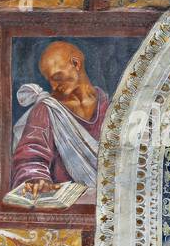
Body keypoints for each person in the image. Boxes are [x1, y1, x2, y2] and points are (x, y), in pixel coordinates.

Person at [9, 40, 105, 197]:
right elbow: (31, 155)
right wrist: (36, 178)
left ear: (76, 63)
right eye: (50, 80)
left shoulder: (110, 106)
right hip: (65, 208)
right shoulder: (47, 109)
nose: (53, 86)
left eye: (58, 77)